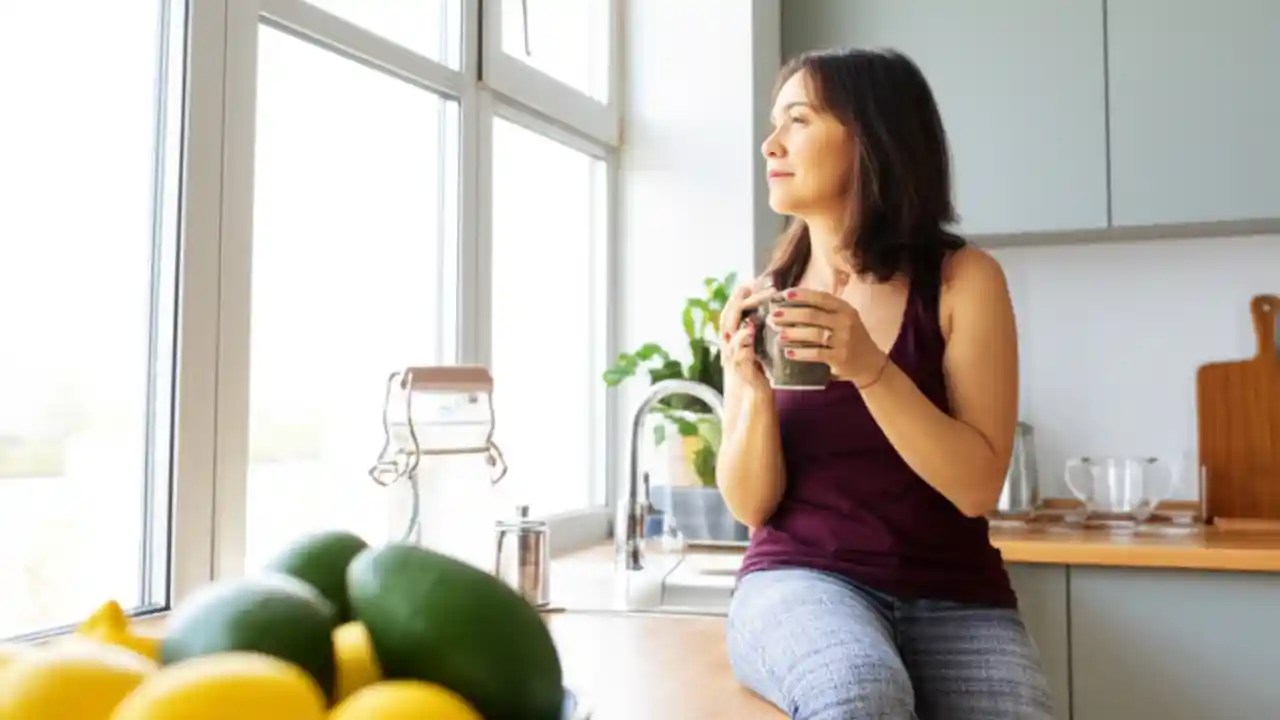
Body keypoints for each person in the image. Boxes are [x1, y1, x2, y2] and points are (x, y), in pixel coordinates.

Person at [716, 48, 1054, 720]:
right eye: (773, 123)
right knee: (859, 693)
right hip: (800, 580)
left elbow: (976, 485)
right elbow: (753, 507)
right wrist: (749, 388)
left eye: (799, 120)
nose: (769, 143)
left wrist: (871, 368)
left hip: (957, 596)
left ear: (870, 137)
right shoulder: (770, 295)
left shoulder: (963, 280)